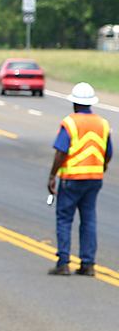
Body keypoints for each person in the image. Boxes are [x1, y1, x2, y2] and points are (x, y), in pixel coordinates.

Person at [47, 81, 111, 276]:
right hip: (94, 178)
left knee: (65, 219)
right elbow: (109, 152)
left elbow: (61, 152)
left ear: (74, 103)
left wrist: (52, 175)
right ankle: (88, 264)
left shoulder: (70, 122)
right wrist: (102, 166)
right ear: (91, 103)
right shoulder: (102, 123)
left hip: (72, 178)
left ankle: (64, 262)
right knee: (89, 219)